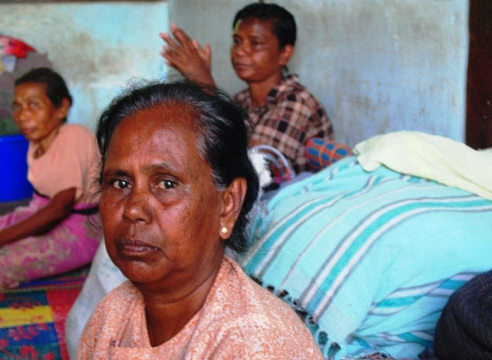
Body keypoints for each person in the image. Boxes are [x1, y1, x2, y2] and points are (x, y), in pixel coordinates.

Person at [78, 81, 322, 359]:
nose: (133, 209)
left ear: (228, 204)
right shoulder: (113, 314)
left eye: (167, 184)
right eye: (120, 183)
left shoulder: (256, 344)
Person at [0, 67, 102, 289]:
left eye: (33, 105)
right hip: (41, 212)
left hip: (80, 228)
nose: (22, 115)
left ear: (62, 108)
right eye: (17, 106)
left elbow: (61, 206)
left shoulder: (73, 135)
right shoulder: (37, 139)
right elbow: (44, 206)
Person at [160, 2, 333, 177]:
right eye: (237, 41)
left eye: (256, 43)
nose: (241, 51)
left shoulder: (297, 102)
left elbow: (259, 171)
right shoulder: (240, 100)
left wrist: (205, 83)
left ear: (284, 54)